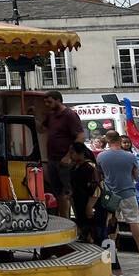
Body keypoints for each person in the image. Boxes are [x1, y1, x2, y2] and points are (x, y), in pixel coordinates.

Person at [98, 131, 139, 261]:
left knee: (110, 222)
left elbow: (99, 174)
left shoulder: (101, 156)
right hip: (128, 193)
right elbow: (135, 175)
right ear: (119, 140)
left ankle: (110, 253)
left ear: (108, 140)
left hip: (110, 195)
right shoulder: (130, 156)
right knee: (133, 221)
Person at [42, 91, 84, 219]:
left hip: (64, 160)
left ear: (58, 100)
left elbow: (80, 136)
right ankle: (64, 219)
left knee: (67, 192)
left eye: (49, 102)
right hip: (53, 158)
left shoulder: (69, 115)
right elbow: (42, 129)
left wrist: (68, 156)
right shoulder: (51, 115)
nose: (47, 105)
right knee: (58, 192)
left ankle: (75, 221)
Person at [64, 142, 106, 248]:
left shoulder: (90, 167)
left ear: (81, 153)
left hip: (92, 204)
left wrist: (90, 206)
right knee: (84, 228)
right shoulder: (75, 167)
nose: (71, 156)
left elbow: (96, 188)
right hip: (80, 202)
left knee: (95, 231)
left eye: (72, 153)